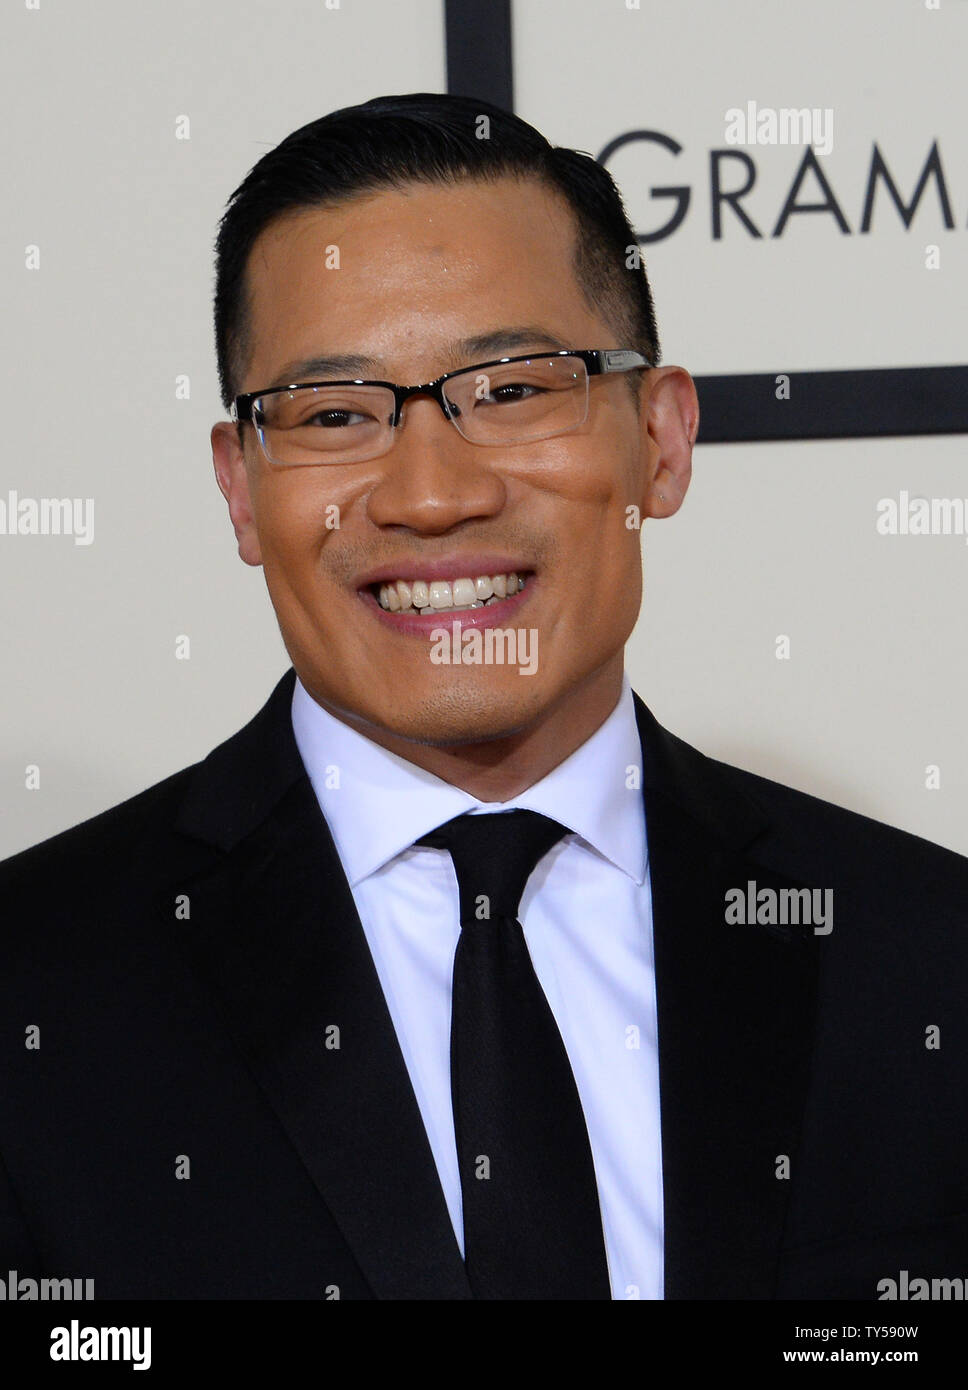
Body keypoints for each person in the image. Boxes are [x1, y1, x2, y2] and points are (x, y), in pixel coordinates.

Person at [1, 93, 966, 1302]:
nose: (429, 492)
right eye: (336, 414)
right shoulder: (35, 992)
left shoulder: (924, 960)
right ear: (242, 492)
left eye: (510, 390)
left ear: (659, 442)